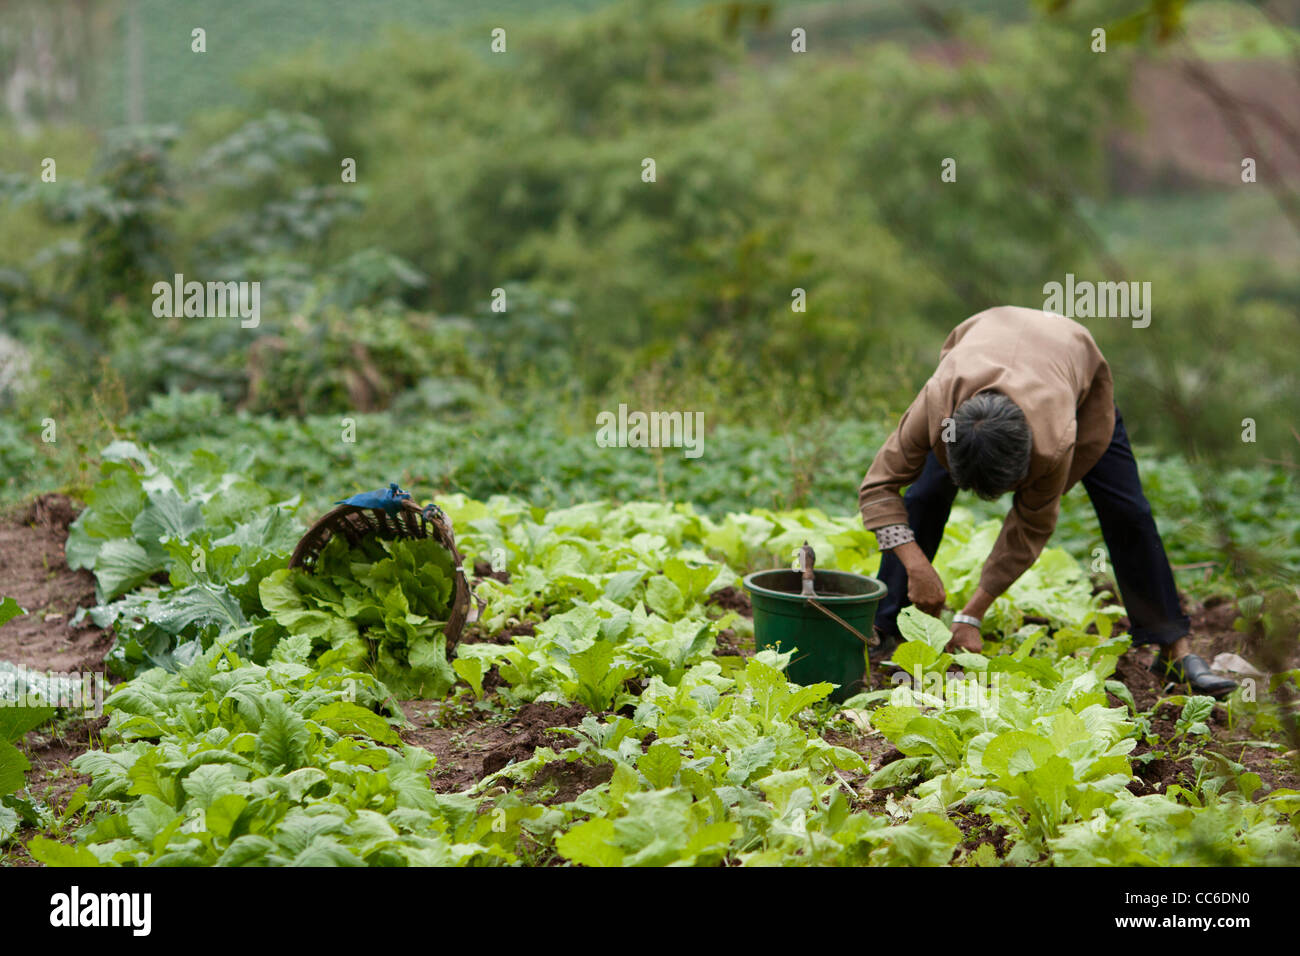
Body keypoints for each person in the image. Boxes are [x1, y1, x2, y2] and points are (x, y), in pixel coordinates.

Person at [857, 305, 1236, 698]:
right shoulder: (939, 405)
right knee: (923, 495)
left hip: (1076, 387)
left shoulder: (1055, 442)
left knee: (1128, 514)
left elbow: (1029, 527)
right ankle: (886, 629)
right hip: (981, 369)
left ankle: (1175, 650)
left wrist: (972, 613)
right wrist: (916, 565)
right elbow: (878, 486)